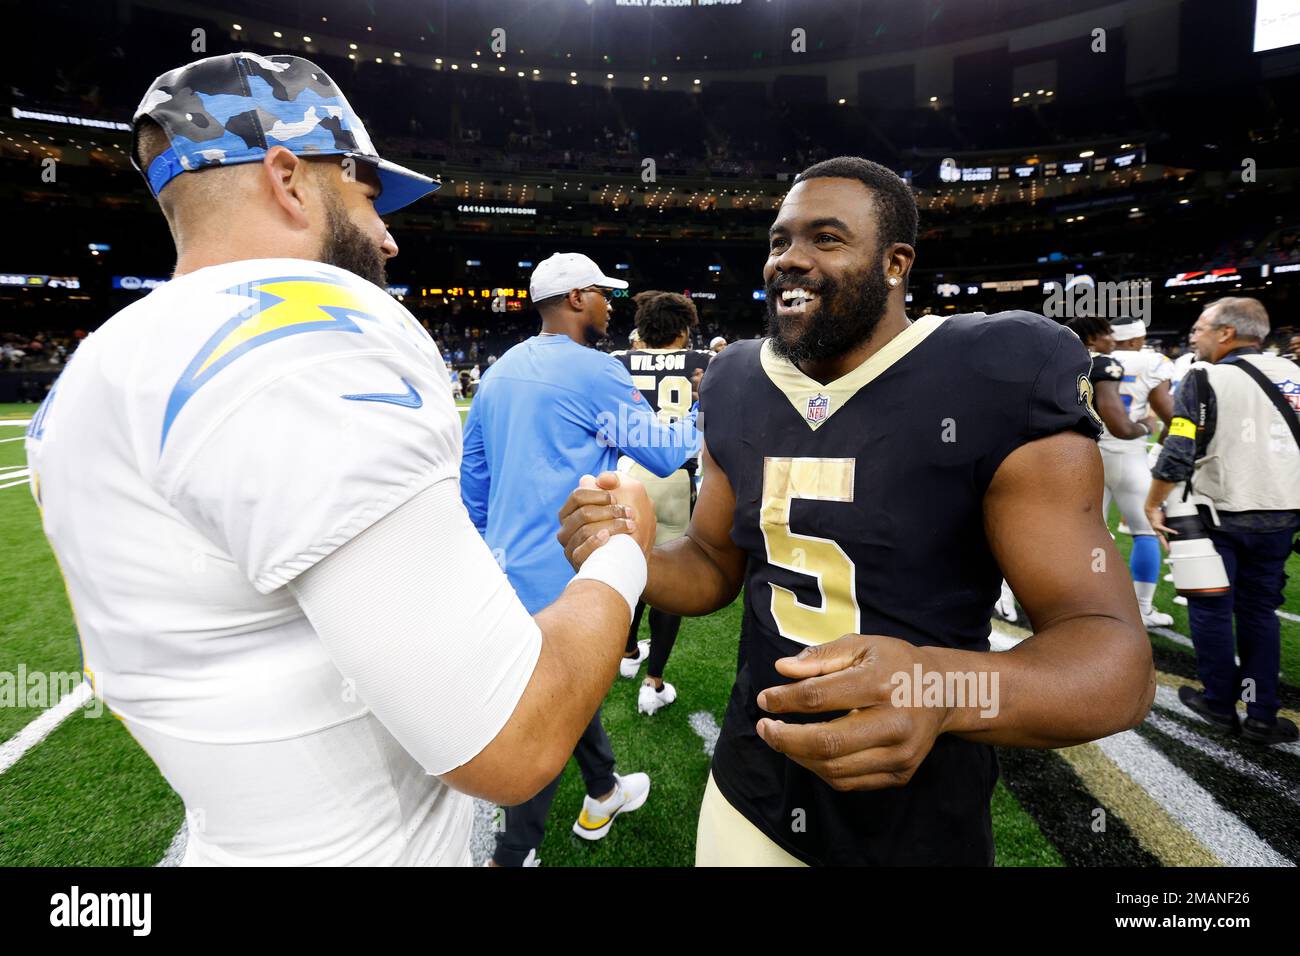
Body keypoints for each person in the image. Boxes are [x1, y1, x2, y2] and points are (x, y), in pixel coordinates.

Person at [24, 52, 656, 866]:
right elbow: (517, 741)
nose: (387, 235)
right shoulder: (303, 334)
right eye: (365, 193)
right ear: (288, 178)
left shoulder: (100, 366)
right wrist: (622, 556)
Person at [559, 156, 1155, 866]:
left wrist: (939, 690)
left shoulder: (997, 369)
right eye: (779, 242)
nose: (790, 260)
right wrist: (628, 551)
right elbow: (715, 564)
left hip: (918, 821)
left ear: (897, 262)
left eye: (827, 239)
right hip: (753, 786)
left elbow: (1112, 657)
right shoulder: (739, 378)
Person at [461, 252, 700, 865]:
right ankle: (513, 854)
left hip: (504, 570)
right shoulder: (595, 372)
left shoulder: (500, 369)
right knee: (547, 710)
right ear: (574, 299)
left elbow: (475, 480)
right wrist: (704, 407)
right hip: (570, 574)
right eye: (602, 294)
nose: (610, 305)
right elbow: (667, 452)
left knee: (561, 694)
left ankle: (603, 791)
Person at [1145, 297, 1300, 746]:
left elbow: (1178, 449)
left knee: (1211, 608)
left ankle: (1218, 702)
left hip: (1216, 512)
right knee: (1259, 612)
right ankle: (1261, 715)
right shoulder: (1294, 373)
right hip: (1281, 513)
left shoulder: (1203, 376)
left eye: (1200, 328)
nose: (1193, 336)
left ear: (1227, 333)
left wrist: (1154, 504)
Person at [614, 291, 711, 714]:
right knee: (669, 580)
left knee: (632, 564)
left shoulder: (618, 361)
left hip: (630, 473)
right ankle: (653, 684)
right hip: (675, 478)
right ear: (684, 329)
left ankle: (628, 652)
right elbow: (710, 420)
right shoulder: (704, 361)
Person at [1065, 315, 1173, 627]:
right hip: (1127, 454)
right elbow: (1166, 412)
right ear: (1138, 338)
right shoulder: (1149, 362)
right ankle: (1142, 609)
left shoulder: (1073, 355)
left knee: (1087, 532)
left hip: (1086, 452)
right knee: (1145, 531)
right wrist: (1148, 427)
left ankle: (1084, 602)